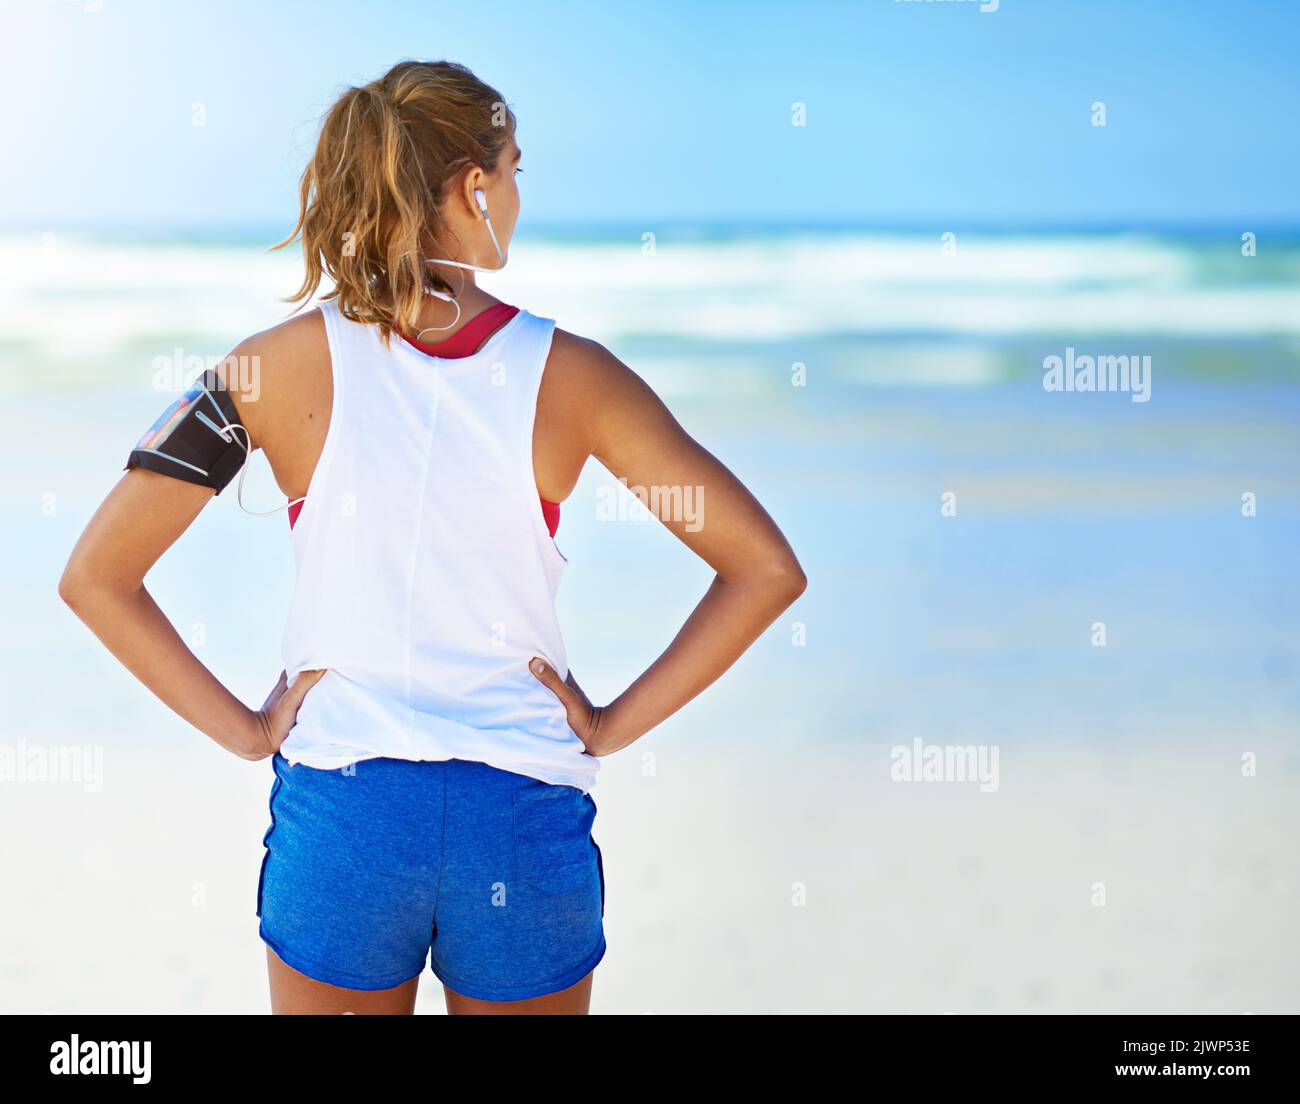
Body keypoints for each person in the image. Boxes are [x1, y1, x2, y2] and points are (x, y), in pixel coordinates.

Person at [59, 59, 806, 1015]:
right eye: (515, 168)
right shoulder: (576, 377)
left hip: (348, 821)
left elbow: (96, 576)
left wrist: (248, 732)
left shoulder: (263, 370)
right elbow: (764, 569)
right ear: (470, 187)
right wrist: (613, 723)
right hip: (519, 817)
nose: (520, 194)